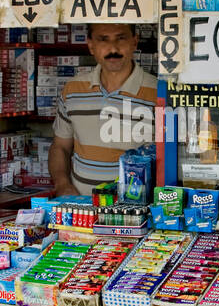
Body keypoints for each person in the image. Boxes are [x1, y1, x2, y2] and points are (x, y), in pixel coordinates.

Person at [50, 22, 156, 196]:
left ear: (134, 43)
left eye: (120, 38)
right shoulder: (73, 90)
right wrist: (62, 185)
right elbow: (60, 146)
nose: (113, 48)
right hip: (81, 211)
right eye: (103, 40)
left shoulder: (157, 93)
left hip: (134, 213)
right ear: (91, 45)